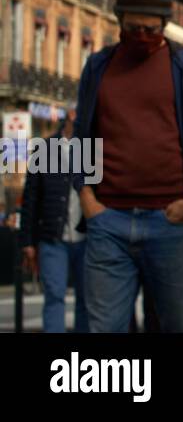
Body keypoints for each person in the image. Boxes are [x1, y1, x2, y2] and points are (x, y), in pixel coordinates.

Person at [72, 0, 183, 333]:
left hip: (171, 221)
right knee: (104, 327)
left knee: (179, 323)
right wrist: (87, 198)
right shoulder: (98, 66)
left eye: (151, 29)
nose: (142, 37)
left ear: (164, 24)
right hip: (108, 221)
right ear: (120, 22)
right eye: (133, 28)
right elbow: (81, 136)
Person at [18, 107, 89, 333]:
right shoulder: (44, 148)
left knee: (86, 299)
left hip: (87, 238)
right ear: (71, 114)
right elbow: (30, 197)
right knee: (54, 296)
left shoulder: (93, 149)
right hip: (52, 236)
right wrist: (27, 241)